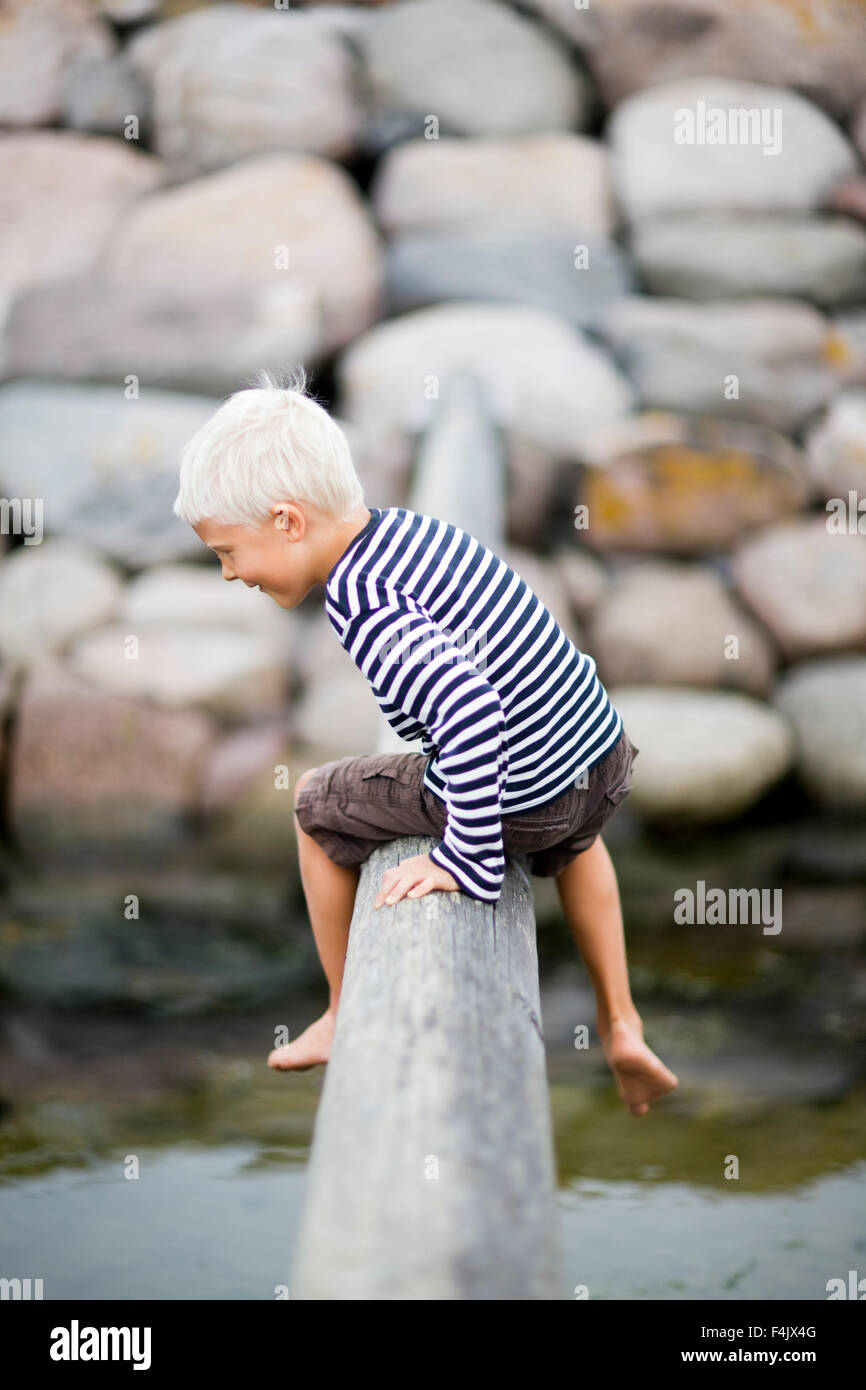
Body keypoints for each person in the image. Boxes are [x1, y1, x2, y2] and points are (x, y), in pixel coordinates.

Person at [174, 366, 678, 1117]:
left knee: (317, 806)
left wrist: (463, 860)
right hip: (593, 762)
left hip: (524, 794)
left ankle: (342, 1010)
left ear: (287, 521)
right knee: (578, 846)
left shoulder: (366, 603)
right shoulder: (410, 533)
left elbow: (470, 711)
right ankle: (622, 1023)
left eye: (228, 552)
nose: (228, 574)